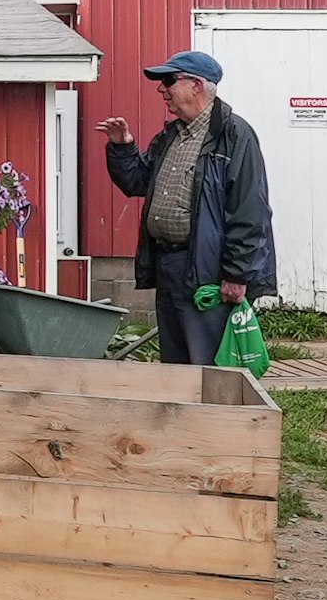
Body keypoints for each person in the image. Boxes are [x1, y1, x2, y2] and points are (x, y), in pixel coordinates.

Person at [102, 50, 274, 367]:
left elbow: (250, 211)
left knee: (207, 363)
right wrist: (123, 146)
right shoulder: (172, 135)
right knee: (176, 360)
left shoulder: (234, 136)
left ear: (196, 85)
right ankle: (184, 414)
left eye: (168, 80)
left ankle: (217, 415)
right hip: (169, 264)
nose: (161, 89)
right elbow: (138, 182)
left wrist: (237, 274)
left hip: (208, 269)